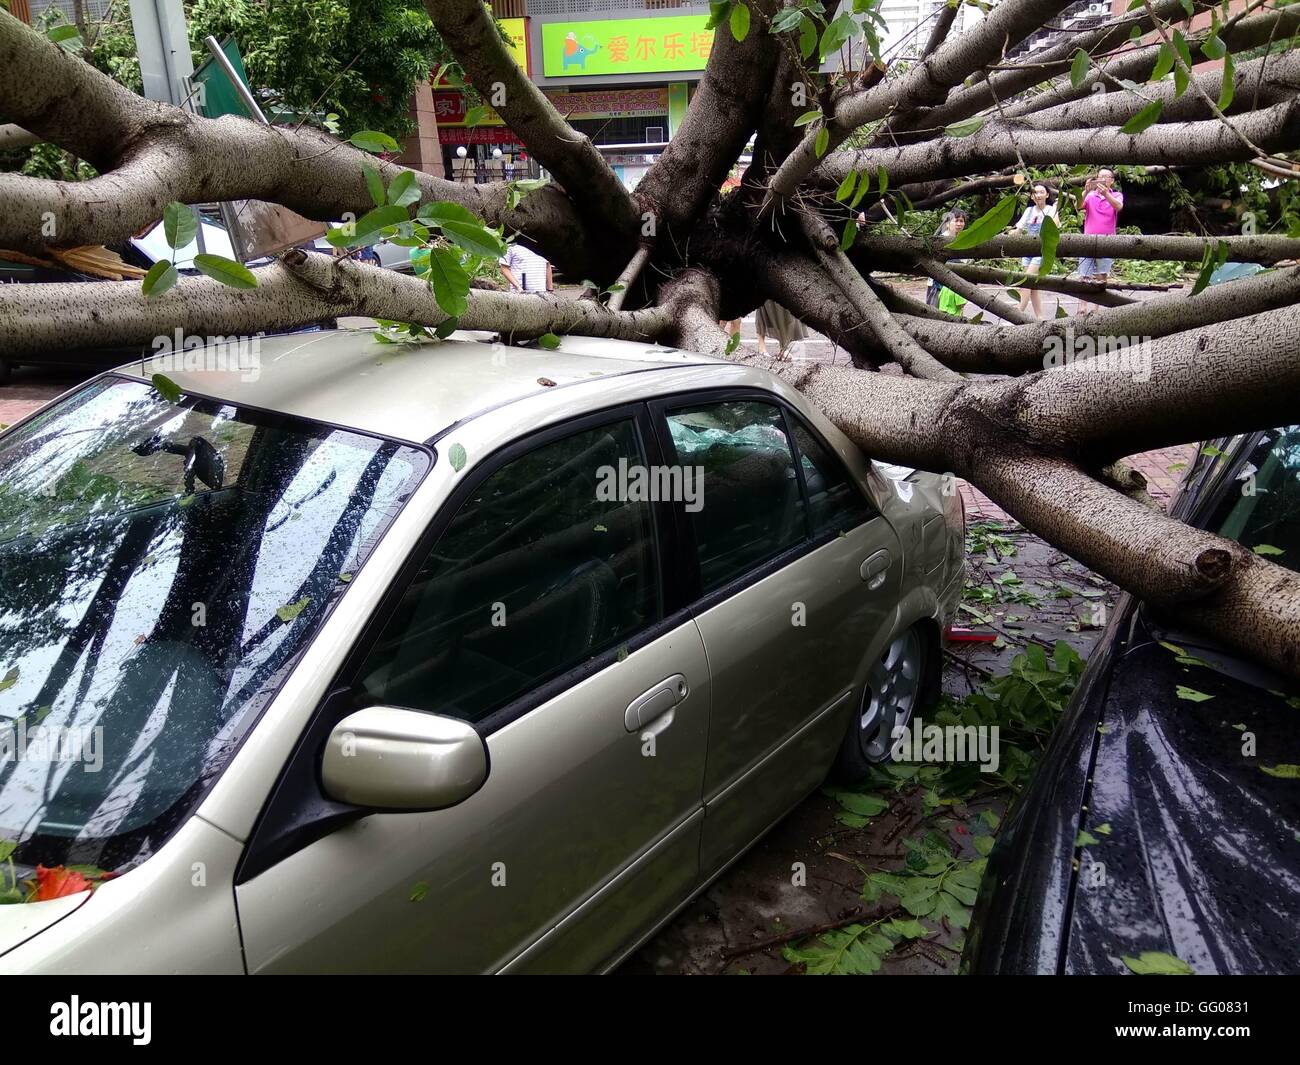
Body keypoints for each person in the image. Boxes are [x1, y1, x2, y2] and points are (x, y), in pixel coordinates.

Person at [1076, 168, 1123, 313]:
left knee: (1102, 275)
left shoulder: (1117, 195)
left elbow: (1118, 206)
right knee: (1084, 275)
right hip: (1088, 239)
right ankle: (1082, 307)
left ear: (1111, 181)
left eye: (1106, 177)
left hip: (1107, 240)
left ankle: (1096, 308)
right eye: (1100, 176)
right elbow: (1078, 206)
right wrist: (1085, 191)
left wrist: (1106, 194)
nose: (1102, 179)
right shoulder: (1090, 196)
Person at [1011, 183, 1058, 319]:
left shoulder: (1050, 209)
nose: (1038, 195)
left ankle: (1017, 314)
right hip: (1028, 251)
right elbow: (1019, 229)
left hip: (1042, 250)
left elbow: (1055, 226)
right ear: (1032, 196)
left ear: (1047, 195)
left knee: (1025, 282)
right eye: (1035, 193)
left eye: (1041, 192)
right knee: (1033, 287)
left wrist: (1055, 208)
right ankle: (1040, 317)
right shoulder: (1029, 211)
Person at [928, 210, 968, 313]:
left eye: (961, 221)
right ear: (947, 223)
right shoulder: (940, 240)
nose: (959, 224)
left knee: (955, 315)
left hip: (956, 285)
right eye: (956, 221)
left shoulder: (964, 240)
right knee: (934, 313)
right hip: (938, 285)